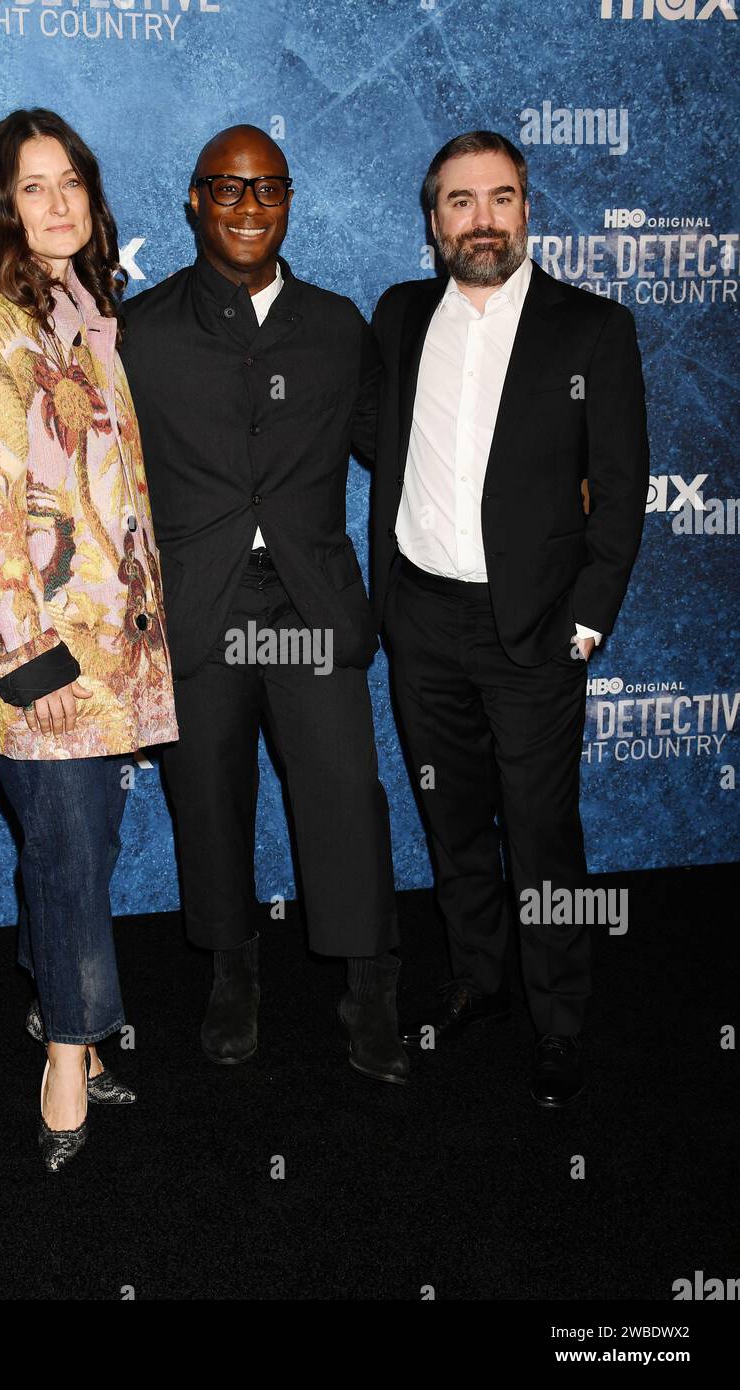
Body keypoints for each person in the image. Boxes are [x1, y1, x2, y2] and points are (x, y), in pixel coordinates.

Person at [119, 125, 407, 1084]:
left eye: (268, 190)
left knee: (346, 800)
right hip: (197, 606)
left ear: (290, 202)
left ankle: (372, 992)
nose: (249, 208)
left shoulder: (336, 326)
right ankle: (232, 976)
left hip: (307, 603)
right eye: (228, 191)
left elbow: (401, 451)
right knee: (207, 801)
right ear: (194, 202)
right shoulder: (138, 331)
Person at [371, 130, 649, 1106]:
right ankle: (478, 980)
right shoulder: (399, 316)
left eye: (499, 198)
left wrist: (585, 623)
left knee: (540, 831)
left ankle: (559, 1017)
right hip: (421, 621)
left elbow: (619, 493)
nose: (479, 220)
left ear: (526, 208)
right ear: (433, 220)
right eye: (458, 202)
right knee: (453, 822)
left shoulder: (591, 329)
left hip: (532, 631)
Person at [0, 109, 178, 1170]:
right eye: (34, 186)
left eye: (71, 179)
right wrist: (22, 658)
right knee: (71, 854)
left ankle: (49, 1005)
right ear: (0, 204)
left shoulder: (79, 307)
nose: (60, 201)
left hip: (107, 658)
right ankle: (71, 1055)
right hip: (47, 664)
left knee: (78, 847)